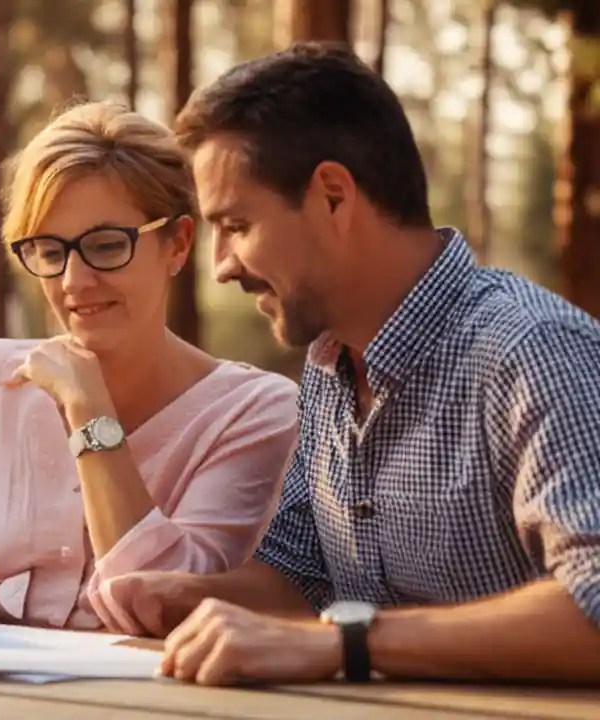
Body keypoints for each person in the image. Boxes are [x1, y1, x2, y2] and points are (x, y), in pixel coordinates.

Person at [97, 43, 600, 686]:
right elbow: (303, 576)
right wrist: (189, 599)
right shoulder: (328, 368)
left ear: (334, 197)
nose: (221, 265)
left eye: (237, 225)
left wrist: (348, 644)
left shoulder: (534, 352)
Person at [0, 101, 300, 648]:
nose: (74, 280)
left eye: (105, 246)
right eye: (49, 250)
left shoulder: (257, 412)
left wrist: (90, 414)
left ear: (179, 244)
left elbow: (166, 606)